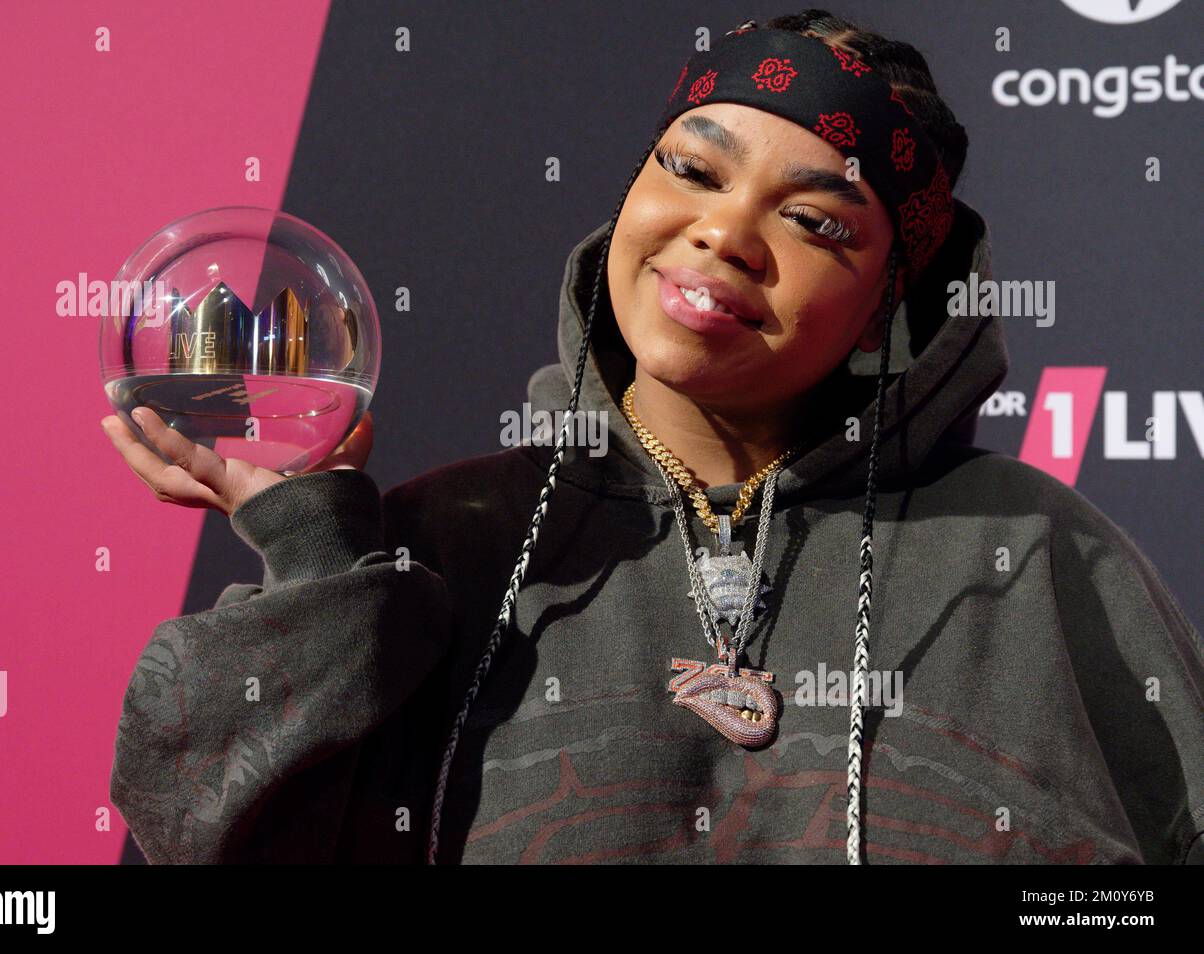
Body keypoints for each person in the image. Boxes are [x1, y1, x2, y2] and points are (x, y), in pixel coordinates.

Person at [102, 10, 1204, 865]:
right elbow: (202, 833)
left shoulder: (1040, 559)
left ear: (885, 304)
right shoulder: (431, 547)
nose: (723, 233)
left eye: (815, 221)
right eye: (691, 168)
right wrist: (312, 558)